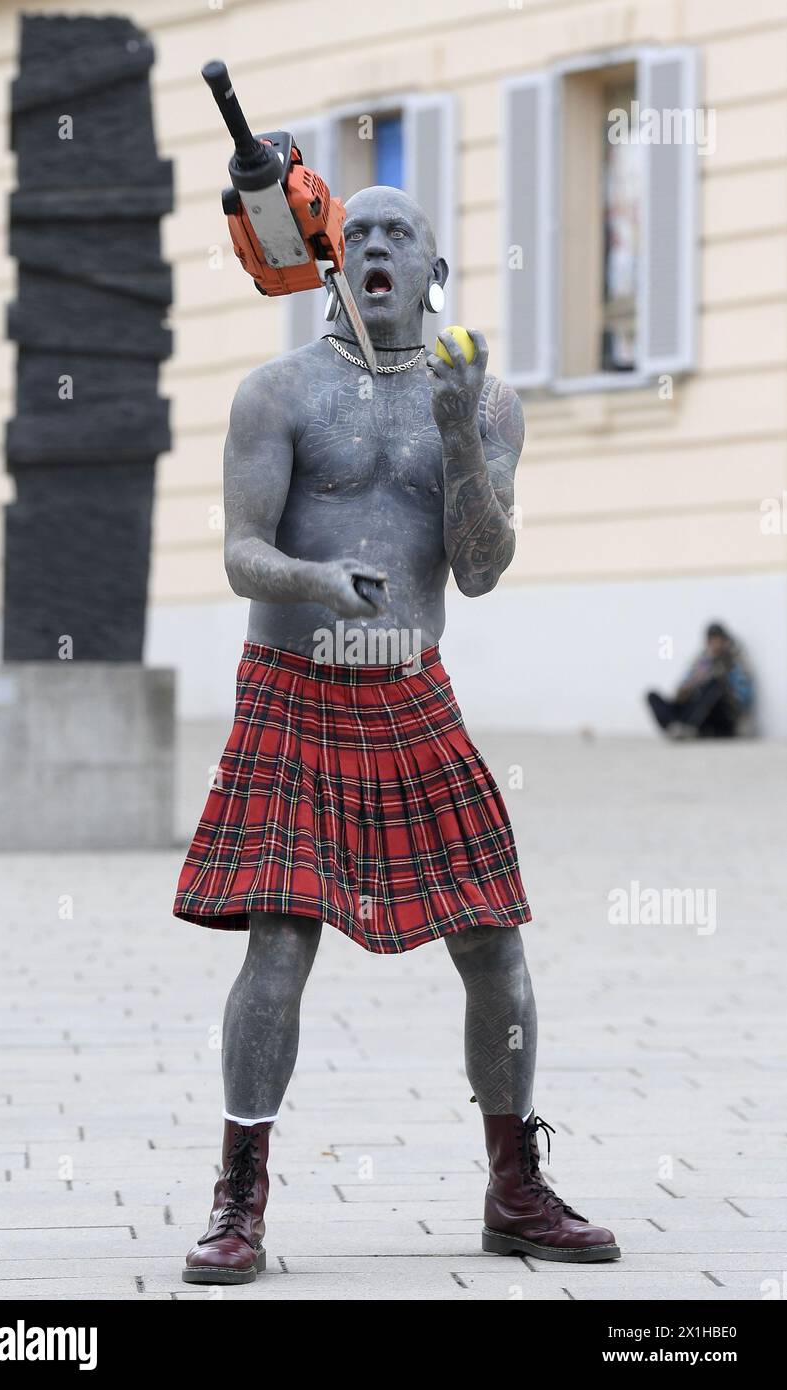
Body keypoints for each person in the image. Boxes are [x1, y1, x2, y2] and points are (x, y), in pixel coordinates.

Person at [173, 185, 620, 1284]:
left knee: (493, 937)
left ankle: (513, 1186)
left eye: (399, 235)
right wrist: (316, 578)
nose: (375, 246)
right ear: (336, 265)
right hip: (293, 679)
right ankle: (240, 1196)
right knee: (280, 936)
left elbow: (478, 567)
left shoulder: (487, 400)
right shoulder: (276, 392)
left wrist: (461, 430)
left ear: (434, 275)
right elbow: (238, 553)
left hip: (409, 685)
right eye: (358, 233)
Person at [647, 622, 754, 739]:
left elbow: (743, 696)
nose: (714, 645)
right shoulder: (702, 661)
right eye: (711, 641)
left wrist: (719, 677)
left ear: (724, 641)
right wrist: (690, 686)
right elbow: (681, 689)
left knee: (715, 684)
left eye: (717, 640)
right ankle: (675, 726)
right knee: (652, 696)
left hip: (721, 715)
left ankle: (687, 727)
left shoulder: (734, 661)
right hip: (693, 709)